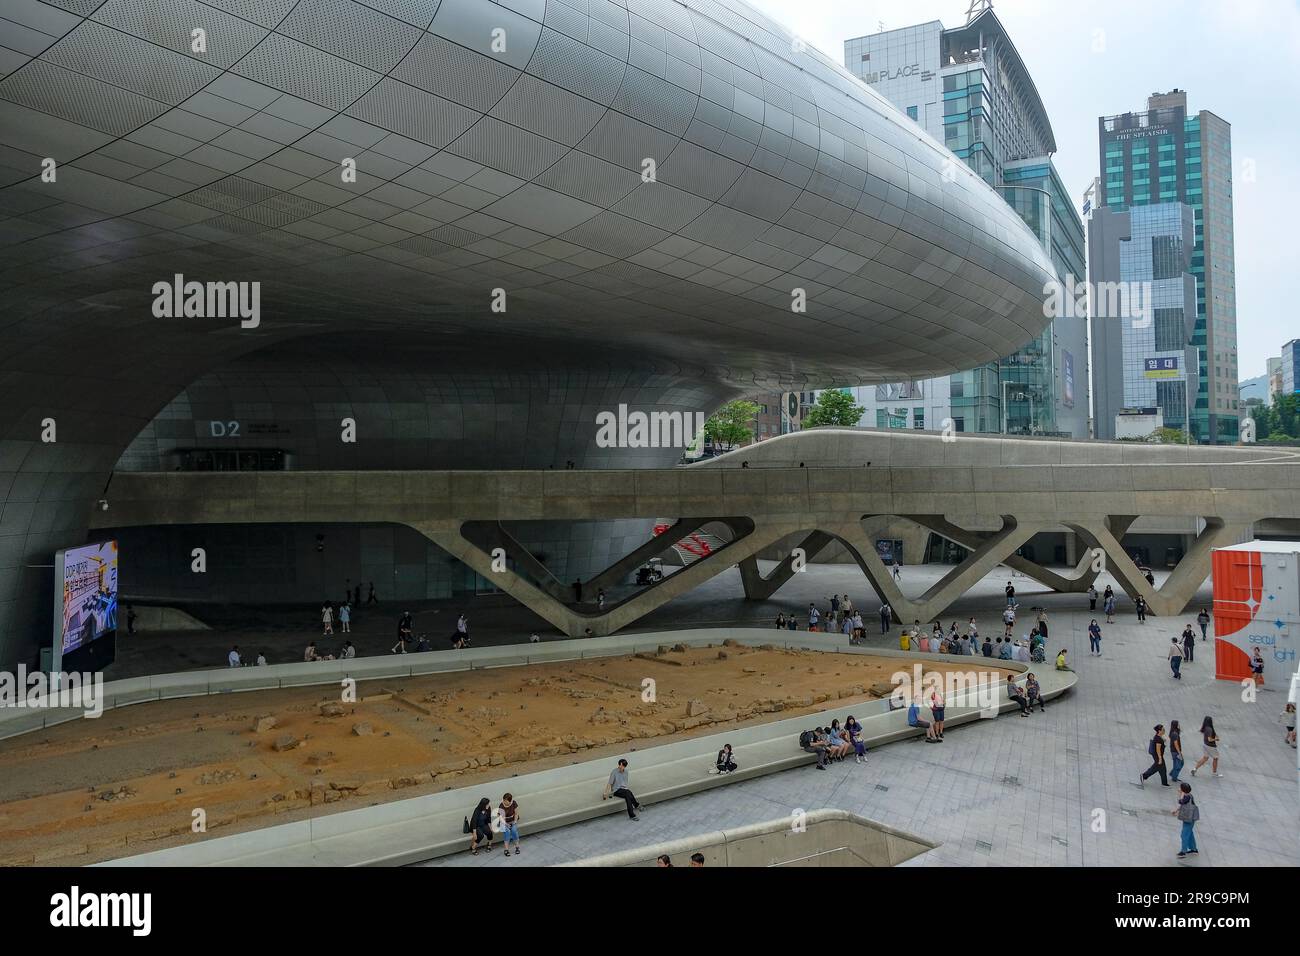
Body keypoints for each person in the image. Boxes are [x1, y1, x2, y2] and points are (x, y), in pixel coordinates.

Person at [1173, 783, 1199, 858]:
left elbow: (1181, 802)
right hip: (1190, 817)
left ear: (1183, 790)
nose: (1179, 788)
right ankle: (1193, 849)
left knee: (1184, 835)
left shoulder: (1186, 797)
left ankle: (1183, 851)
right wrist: (1176, 810)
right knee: (1189, 833)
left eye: (1180, 788)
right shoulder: (1188, 795)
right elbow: (1183, 805)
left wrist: (1181, 794)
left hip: (1189, 818)